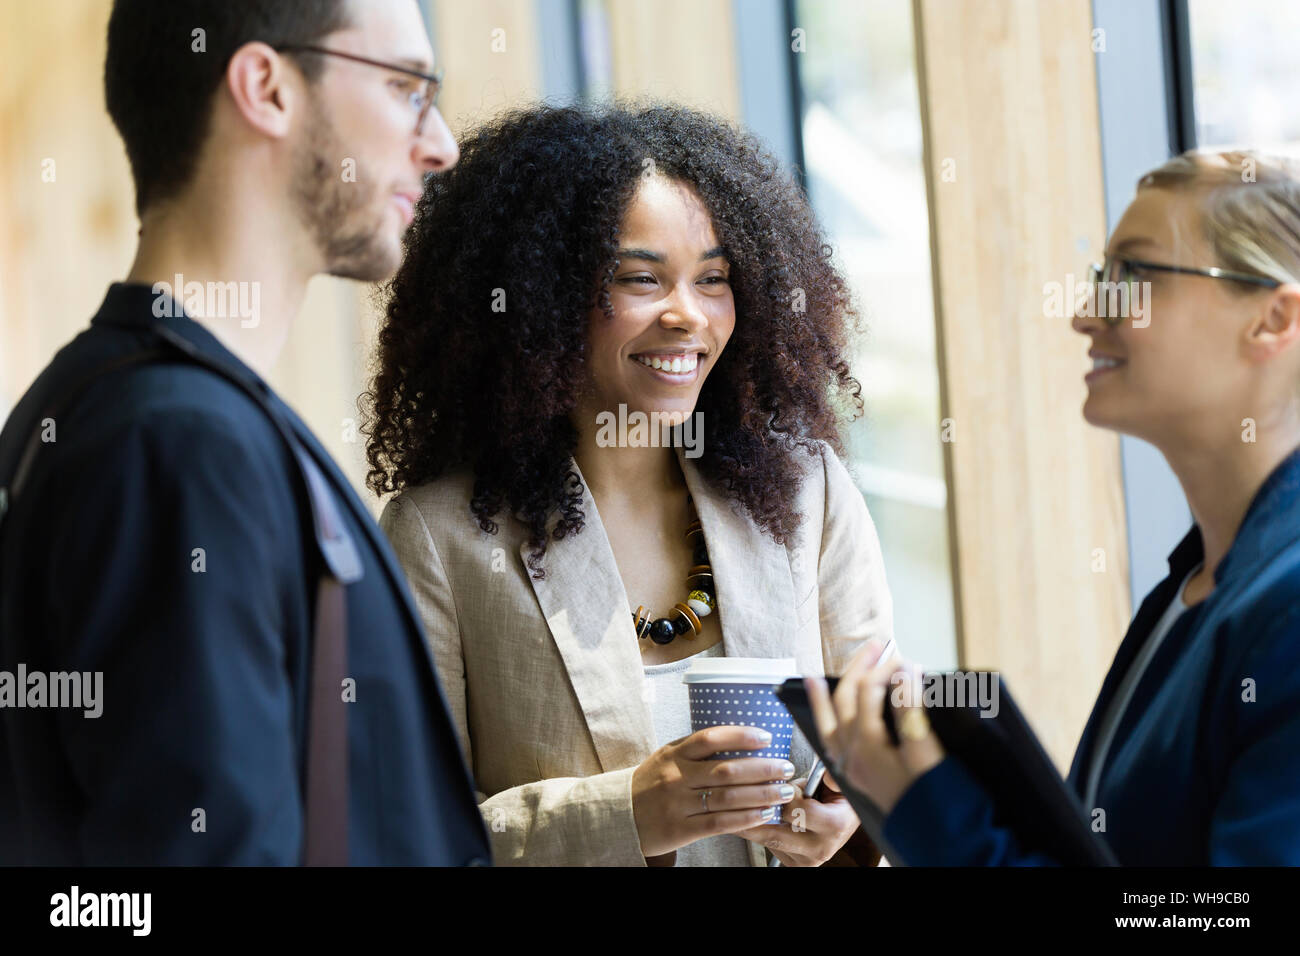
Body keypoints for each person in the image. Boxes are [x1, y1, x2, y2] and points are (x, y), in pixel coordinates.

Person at [0, 0, 490, 865]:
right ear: (266, 87)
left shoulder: (128, 411)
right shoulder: (178, 445)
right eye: (408, 88)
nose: (442, 143)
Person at [366, 103, 894, 866]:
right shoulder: (438, 538)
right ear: (542, 299)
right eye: (642, 279)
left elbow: (888, 759)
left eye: (713, 279)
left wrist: (851, 823)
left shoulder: (808, 494)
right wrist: (629, 814)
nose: (688, 315)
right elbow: (405, 834)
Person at [807, 148, 1300, 866]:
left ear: (1271, 319)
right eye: (1103, 277)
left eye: (1134, 277)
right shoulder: (1195, 587)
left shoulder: (1283, 606)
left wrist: (932, 809)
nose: (1084, 314)